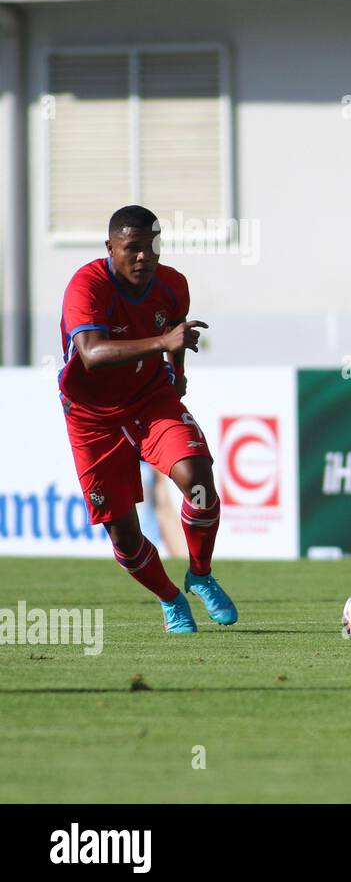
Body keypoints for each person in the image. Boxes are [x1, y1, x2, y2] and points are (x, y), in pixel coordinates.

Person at [59, 205, 236, 633]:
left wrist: (178, 375)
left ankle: (199, 573)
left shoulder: (173, 284)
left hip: (151, 400)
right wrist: (163, 341)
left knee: (198, 478)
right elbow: (92, 354)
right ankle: (171, 599)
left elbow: (179, 331)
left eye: (151, 247)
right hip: (93, 418)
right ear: (110, 249)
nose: (143, 257)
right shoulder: (87, 286)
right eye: (131, 248)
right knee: (124, 535)